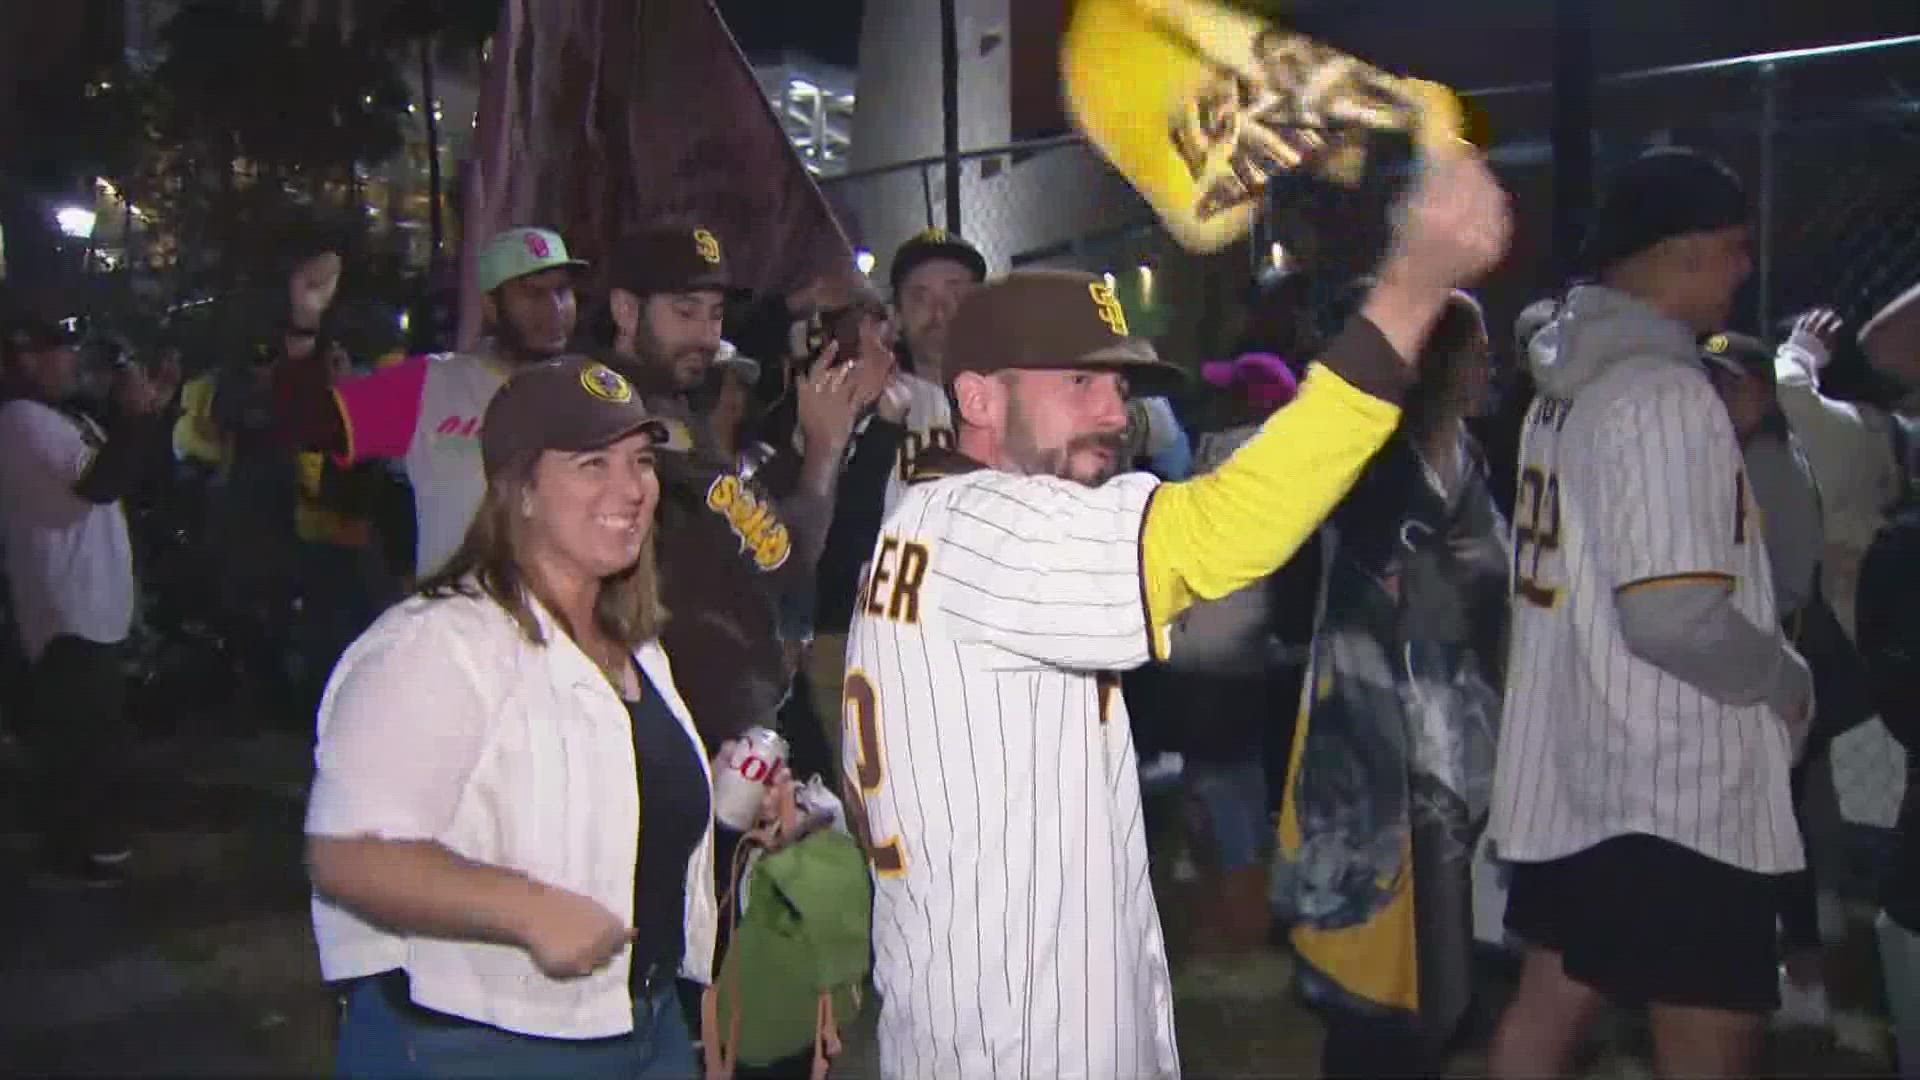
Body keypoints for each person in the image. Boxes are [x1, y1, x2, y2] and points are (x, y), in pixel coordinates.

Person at [840, 149, 1510, 1078]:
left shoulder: (931, 515)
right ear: (979, 397)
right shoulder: (997, 526)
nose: (1113, 412)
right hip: (1022, 1034)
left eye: (1121, 387)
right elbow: (1225, 529)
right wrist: (1410, 292)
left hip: (977, 999)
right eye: (1078, 383)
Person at [307, 356, 783, 1076]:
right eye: (593, 464)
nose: (632, 489)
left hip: (645, 1025)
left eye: (641, 461)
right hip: (477, 1043)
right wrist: (527, 910)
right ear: (520, 491)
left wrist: (710, 797)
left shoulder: (635, 645)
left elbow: (608, 796)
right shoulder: (438, 645)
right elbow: (349, 853)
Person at [1486, 147, 1813, 1080]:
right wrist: (1782, 678)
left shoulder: (1564, 388)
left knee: (1547, 1010)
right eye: (1733, 248)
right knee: (1707, 1042)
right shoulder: (1664, 393)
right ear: (1678, 253)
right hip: (1679, 786)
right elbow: (1672, 616)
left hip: (1584, 769)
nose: (1745, 269)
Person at [1277, 290, 1510, 1078]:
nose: (1489, 367)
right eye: (1475, 353)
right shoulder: (1377, 467)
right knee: (1370, 962)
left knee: (1438, 955)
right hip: (1373, 730)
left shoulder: (1467, 459)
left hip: (1451, 730)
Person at [601, 223, 871, 747]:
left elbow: (747, 524)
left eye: (715, 313)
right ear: (626, 310)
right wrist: (823, 448)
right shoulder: (625, 419)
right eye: (685, 312)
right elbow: (782, 553)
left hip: (707, 718)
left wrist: (807, 445)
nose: (706, 336)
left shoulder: (675, 409)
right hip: (677, 726)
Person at [276, 226, 586, 579]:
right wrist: (304, 324)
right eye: (533, 293)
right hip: (459, 609)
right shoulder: (432, 383)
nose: (555, 308)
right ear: (490, 305)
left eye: (562, 291)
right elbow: (307, 423)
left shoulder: (595, 392)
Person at [0, 315, 178, 886]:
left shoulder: (67, 416)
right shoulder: (22, 417)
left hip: (91, 601)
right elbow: (99, 483)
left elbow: (130, 473)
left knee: (94, 733)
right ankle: (84, 853)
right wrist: (133, 416)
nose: (72, 361)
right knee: (84, 741)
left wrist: (148, 413)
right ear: (26, 358)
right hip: (65, 606)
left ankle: (85, 844)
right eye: (60, 350)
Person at [1698, 330, 1839, 1028]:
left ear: (1760, 390)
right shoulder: (1754, 453)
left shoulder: (1767, 463)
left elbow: (1783, 583)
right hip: (1766, 657)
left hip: (1772, 661)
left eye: (1731, 382)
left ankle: (1799, 981)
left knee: (1771, 827)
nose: (1718, 394)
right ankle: (1789, 970)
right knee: (1774, 823)